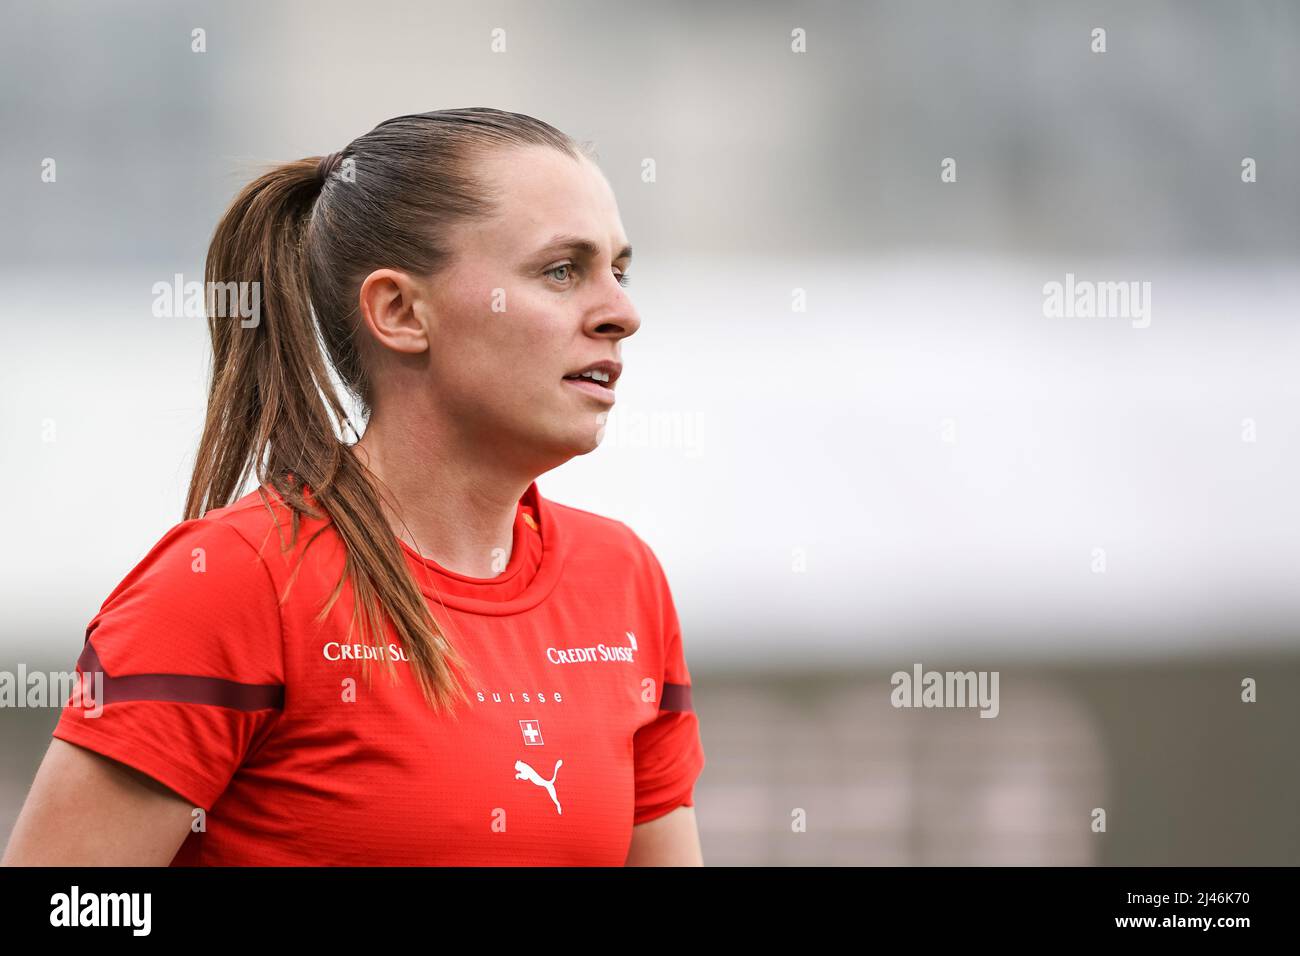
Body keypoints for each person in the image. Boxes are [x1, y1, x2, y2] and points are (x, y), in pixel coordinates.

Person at [2, 108, 704, 866]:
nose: (622, 314)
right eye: (561, 271)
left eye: (619, 271)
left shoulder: (622, 579)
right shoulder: (230, 584)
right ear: (400, 312)